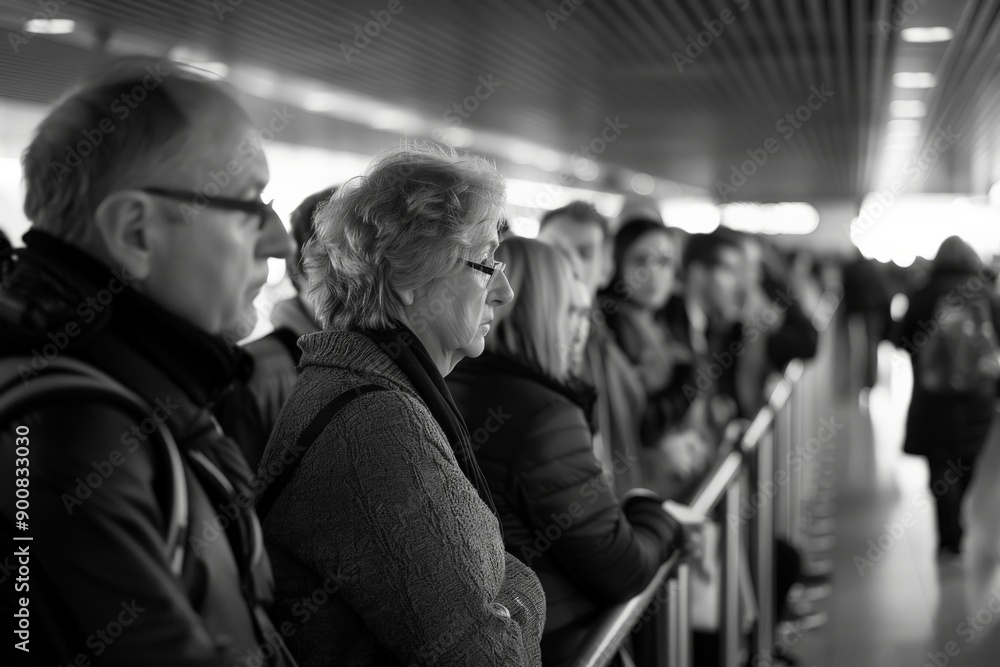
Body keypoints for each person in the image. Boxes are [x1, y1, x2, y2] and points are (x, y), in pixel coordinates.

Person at [0, 58, 294, 665]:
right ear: (136, 232)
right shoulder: (69, 428)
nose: (281, 242)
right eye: (248, 205)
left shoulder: (133, 393)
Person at [255, 143, 546, 666]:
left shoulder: (371, 391)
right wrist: (526, 596)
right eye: (485, 261)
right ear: (410, 276)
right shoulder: (376, 425)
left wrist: (505, 594)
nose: (502, 291)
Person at [447, 237, 689, 667]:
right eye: (573, 312)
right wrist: (658, 515)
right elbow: (621, 569)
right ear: (540, 314)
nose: (583, 330)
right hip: (555, 641)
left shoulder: (454, 384)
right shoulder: (545, 414)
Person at [895, 235, 1000, 557]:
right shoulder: (986, 294)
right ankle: (958, 519)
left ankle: (948, 536)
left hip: (933, 396)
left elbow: (900, 339)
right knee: (967, 459)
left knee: (940, 462)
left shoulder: (924, 293)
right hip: (978, 395)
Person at [537, 201, 646, 492]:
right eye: (554, 253)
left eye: (584, 253)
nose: (567, 265)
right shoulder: (523, 348)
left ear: (607, 267)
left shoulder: (611, 343)